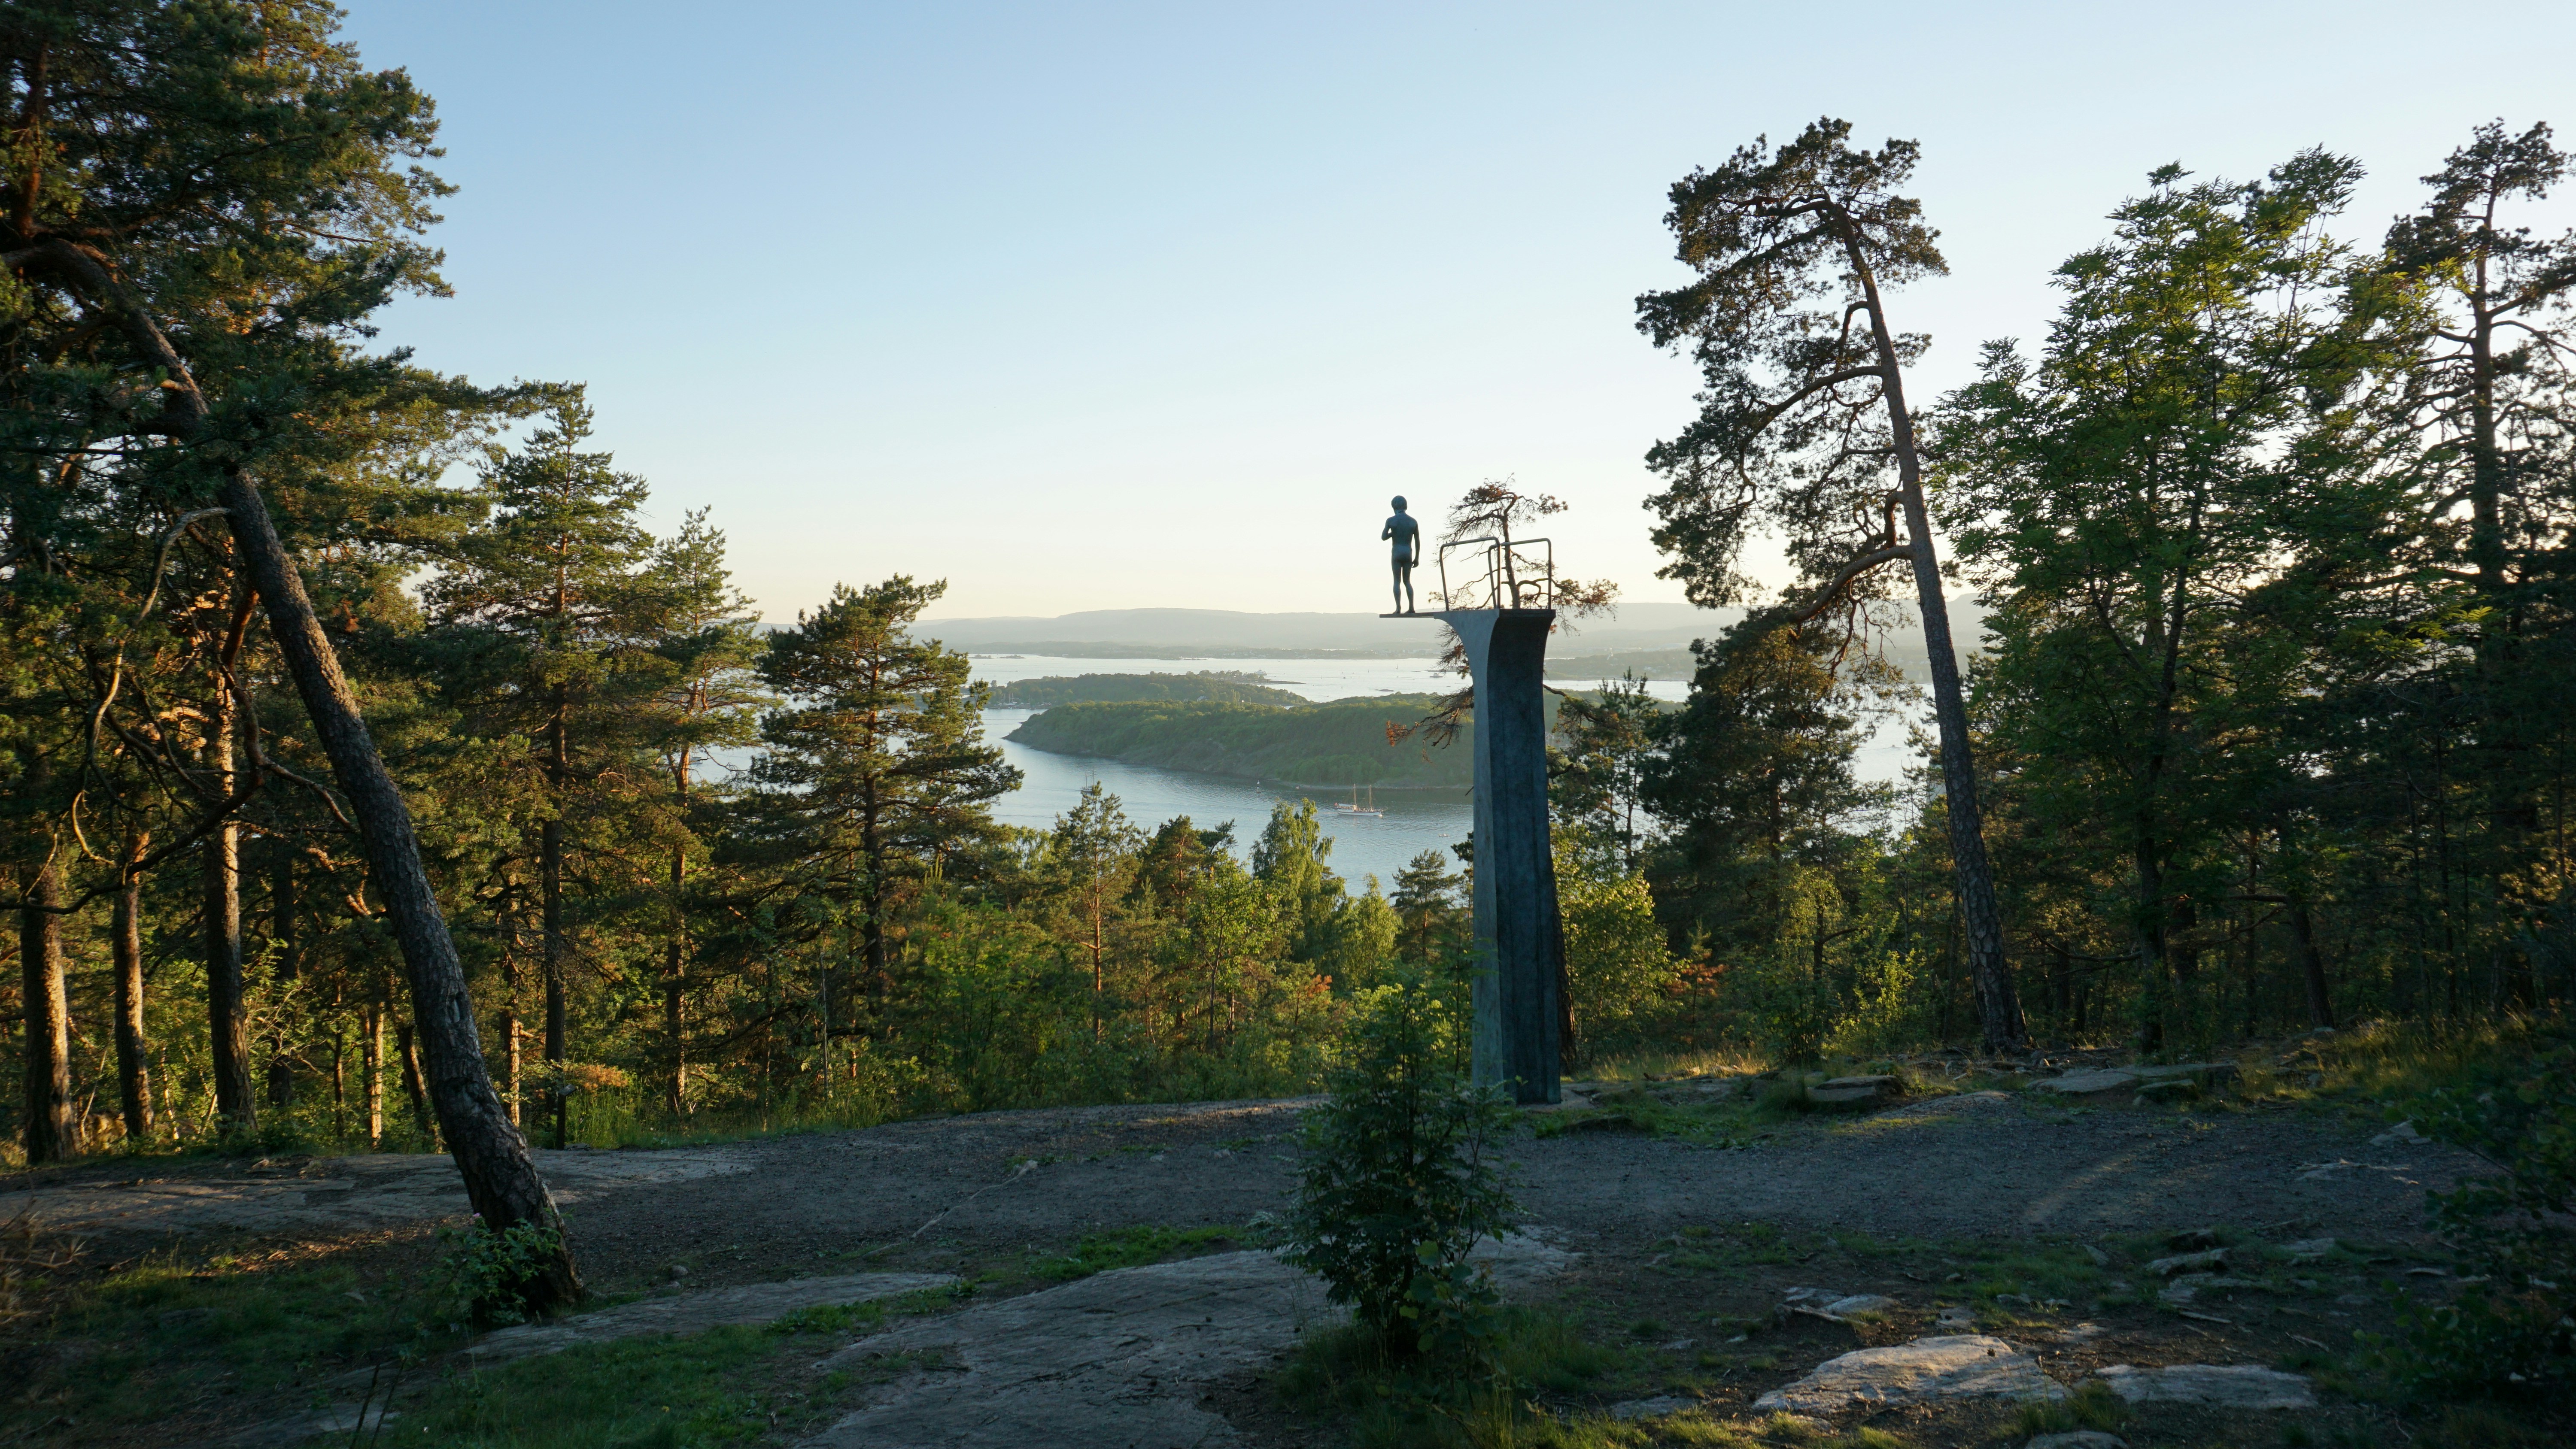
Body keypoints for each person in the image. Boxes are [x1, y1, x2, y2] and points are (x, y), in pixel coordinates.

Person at [1382, 496, 1420, 614]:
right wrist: (1417, 558)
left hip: (1397, 553)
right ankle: (1412, 608)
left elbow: (1384, 537)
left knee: (1397, 581)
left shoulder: (1391, 521)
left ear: (1394, 507)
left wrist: (1393, 533)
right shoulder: (1413, 521)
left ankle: (1398, 608)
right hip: (1408, 553)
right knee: (1407, 581)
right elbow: (1417, 541)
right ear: (1406, 507)